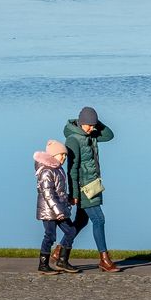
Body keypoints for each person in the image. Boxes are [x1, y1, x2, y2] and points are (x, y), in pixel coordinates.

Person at [58, 106, 121, 273]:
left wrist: (95, 122)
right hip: (83, 188)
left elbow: (109, 135)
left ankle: (59, 251)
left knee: (81, 221)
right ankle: (104, 260)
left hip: (93, 185)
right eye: (89, 125)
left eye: (93, 125)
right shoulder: (73, 140)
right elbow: (72, 169)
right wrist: (74, 194)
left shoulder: (91, 134)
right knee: (99, 219)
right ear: (82, 123)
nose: (92, 128)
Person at [35, 139, 78, 275]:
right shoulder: (46, 171)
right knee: (50, 236)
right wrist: (58, 211)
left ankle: (62, 260)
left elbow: (59, 192)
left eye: (65, 155)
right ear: (53, 156)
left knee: (71, 231)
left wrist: (67, 200)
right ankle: (43, 264)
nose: (64, 158)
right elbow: (48, 194)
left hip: (59, 210)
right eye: (61, 155)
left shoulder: (58, 170)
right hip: (49, 211)